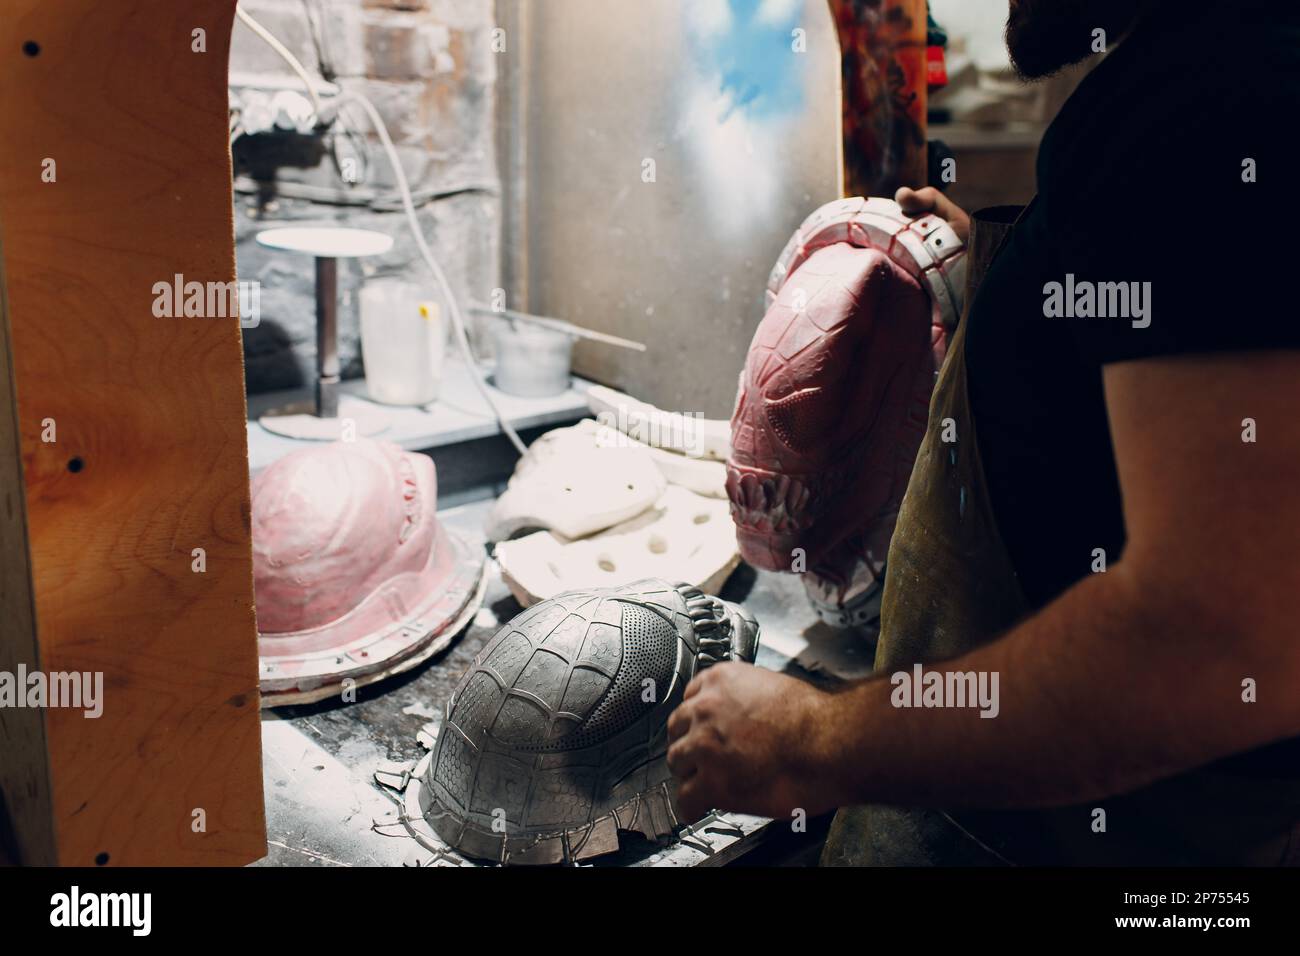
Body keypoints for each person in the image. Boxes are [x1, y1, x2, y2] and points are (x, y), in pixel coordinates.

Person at [666, 0, 1300, 865]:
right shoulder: (1223, 72)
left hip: (1079, 837)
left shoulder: (1211, 90)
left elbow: (1206, 644)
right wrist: (1028, 279)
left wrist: (811, 740)